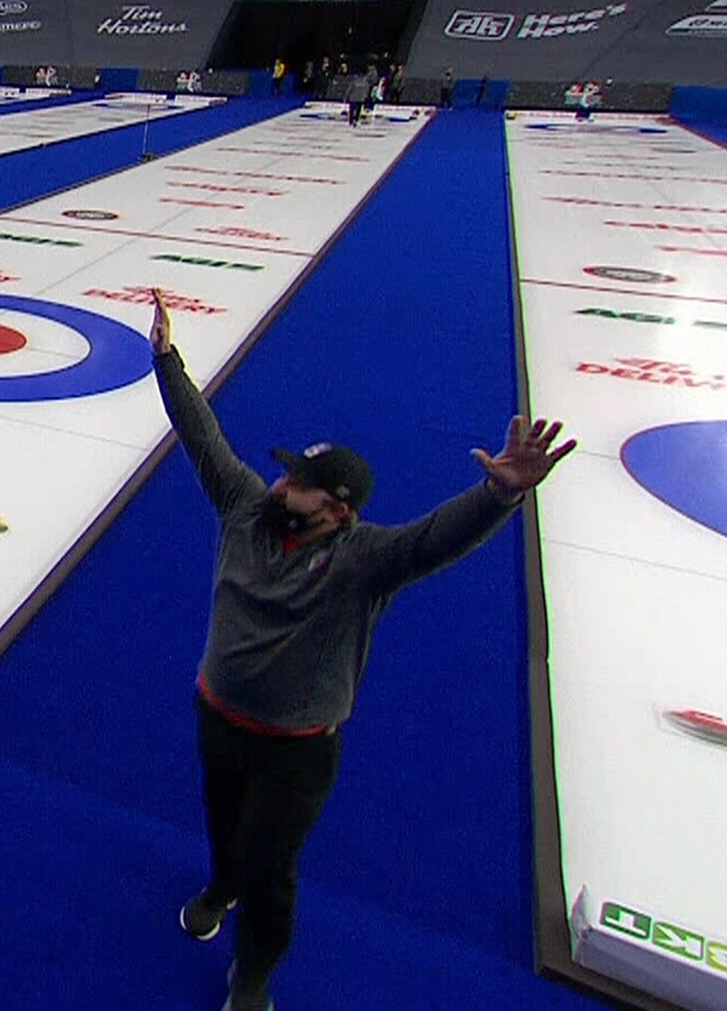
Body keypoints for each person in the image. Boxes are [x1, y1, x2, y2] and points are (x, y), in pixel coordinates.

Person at [146, 289, 575, 1011]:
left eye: (301, 486)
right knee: (224, 822)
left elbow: (437, 539)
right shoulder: (247, 509)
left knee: (273, 865)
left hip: (297, 749)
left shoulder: (367, 560)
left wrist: (498, 497)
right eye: (287, 475)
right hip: (217, 714)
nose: (282, 485)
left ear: (338, 509)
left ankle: (253, 969)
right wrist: (166, 359)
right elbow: (203, 437)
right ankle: (220, 885)